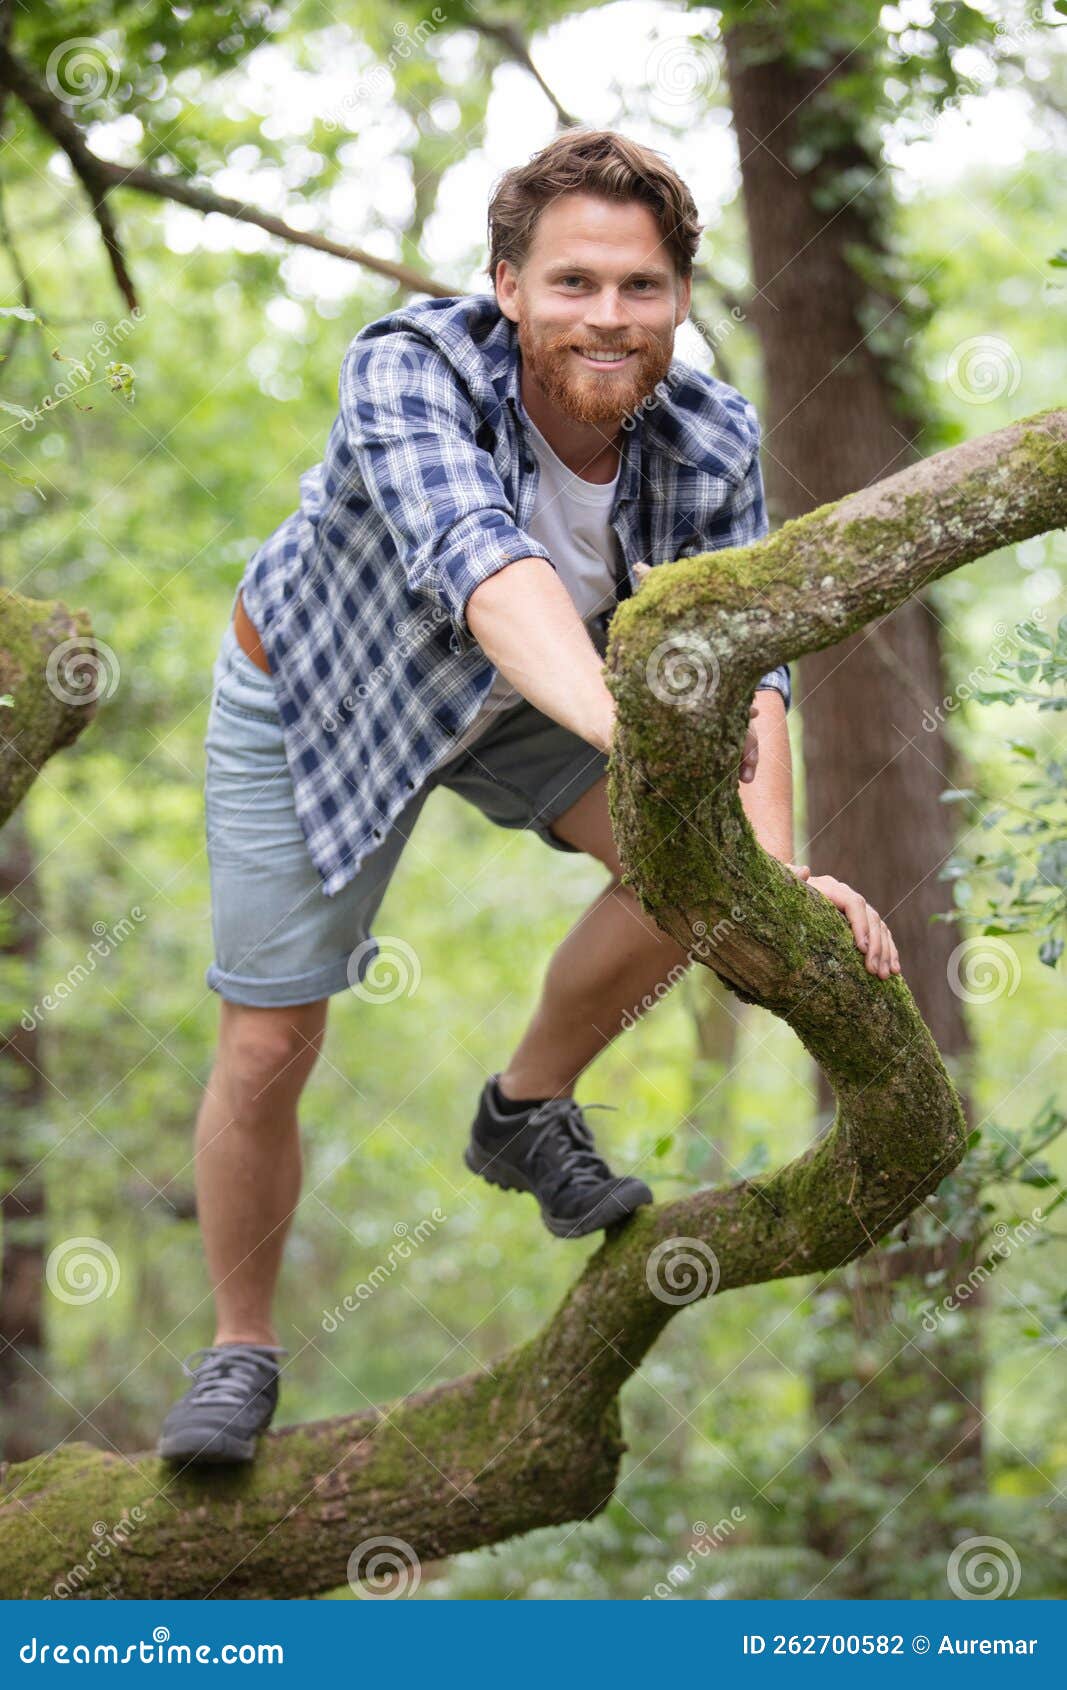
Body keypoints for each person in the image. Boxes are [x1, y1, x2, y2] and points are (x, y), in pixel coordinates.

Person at [158, 129, 899, 1466]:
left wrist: (768, 867)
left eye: (640, 287)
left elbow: (750, 655)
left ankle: (523, 1107)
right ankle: (240, 1345)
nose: (607, 315)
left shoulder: (710, 429)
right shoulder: (410, 365)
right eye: (572, 283)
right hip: (330, 694)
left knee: (708, 879)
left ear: (678, 295)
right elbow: (485, 570)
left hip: (538, 708)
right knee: (268, 1048)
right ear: (506, 286)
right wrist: (651, 750)